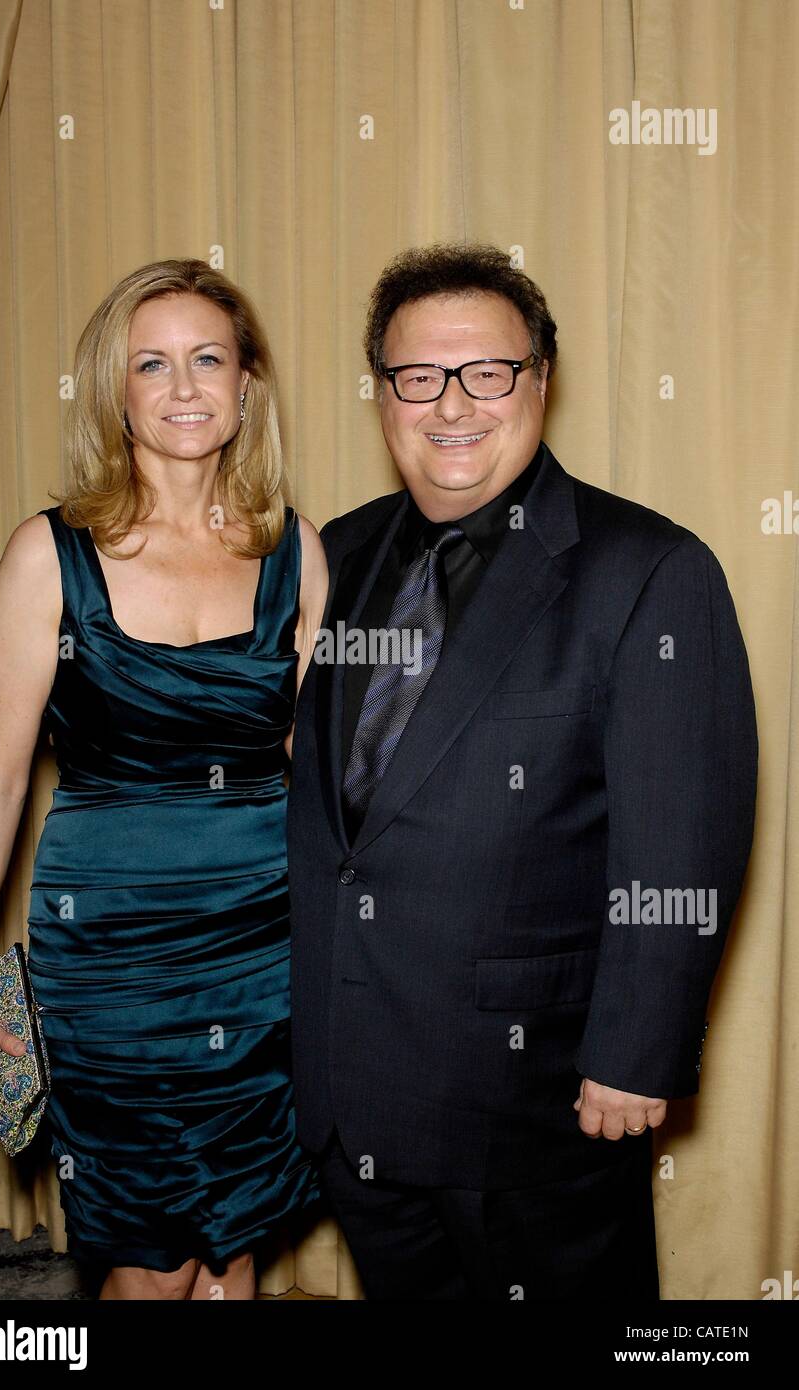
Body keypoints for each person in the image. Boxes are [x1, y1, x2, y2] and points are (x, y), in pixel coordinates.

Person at [286, 242, 758, 1300]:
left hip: (532, 1100)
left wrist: (636, 1049)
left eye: (485, 372)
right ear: (382, 394)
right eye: (417, 376)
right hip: (351, 1089)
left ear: (540, 380)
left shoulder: (645, 570)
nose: (449, 404)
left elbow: (682, 830)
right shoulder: (334, 556)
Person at [0, 258, 328, 1300]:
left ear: (248, 385)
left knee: (235, 1246)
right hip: (107, 960)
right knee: (150, 1260)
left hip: (260, 949)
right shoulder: (48, 554)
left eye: (208, 358)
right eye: (151, 364)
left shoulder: (296, 551)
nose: (185, 386)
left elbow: (319, 779)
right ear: (116, 392)